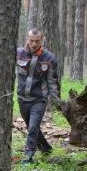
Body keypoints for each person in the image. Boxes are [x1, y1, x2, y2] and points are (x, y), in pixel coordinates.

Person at [15, 28, 60, 164]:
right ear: (27, 39)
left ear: (42, 40)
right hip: (22, 99)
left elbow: (52, 82)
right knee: (31, 127)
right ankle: (46, 148)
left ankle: (28, 156)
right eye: (32, 40)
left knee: (33, 127)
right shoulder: (18, 53)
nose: (34, 44)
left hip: (39, 100)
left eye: (37, 41)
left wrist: (57, 101)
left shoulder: (49, 58)